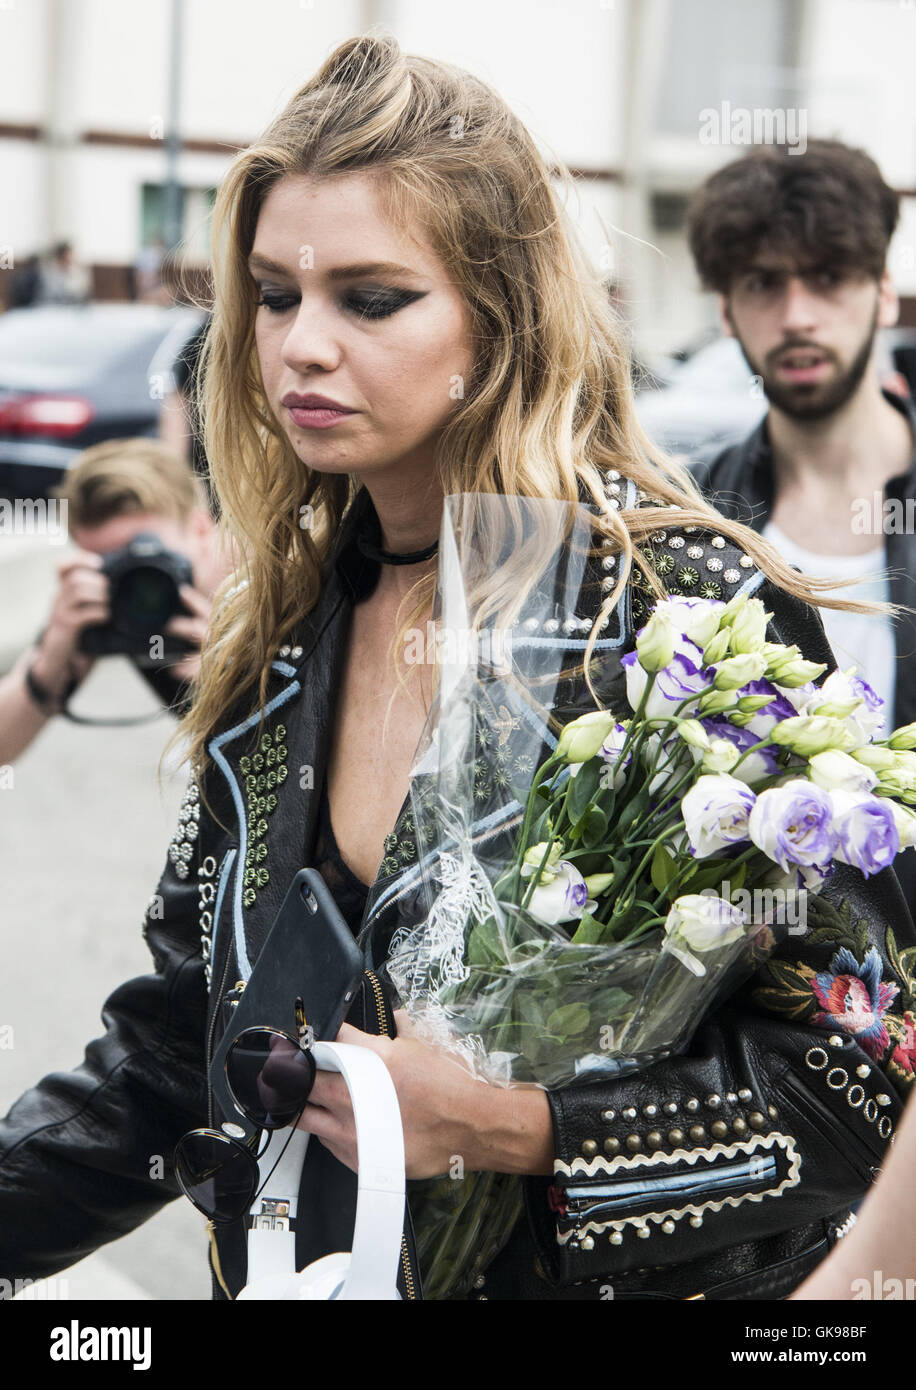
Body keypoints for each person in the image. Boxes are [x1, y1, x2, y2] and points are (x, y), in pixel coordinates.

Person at [0, 32, 913, 1303]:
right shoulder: (281, 623)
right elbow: (176, 1048)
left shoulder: (681, 612)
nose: (300, 346)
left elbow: (861, 1076)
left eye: (370, 299)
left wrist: (517, 1128)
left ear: (496, 319)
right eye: (273, 295)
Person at [686, 139, 916, 919]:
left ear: (884, 292)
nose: (797, 316)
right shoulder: (691, 516)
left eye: (828, 277)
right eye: (762, 283)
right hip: (759, 987)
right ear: (725, 310)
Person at [0, 438, 236, 763]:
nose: (131, 581)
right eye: (111, 563)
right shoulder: (102, 600)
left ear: (199, 528)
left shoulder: (269, 586)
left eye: (147, 558)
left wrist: (239, 685)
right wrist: (52, 657)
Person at [34, 240, 91, 306]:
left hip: (69, 307)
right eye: (67, 257)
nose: (70, 260)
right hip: (50, 307)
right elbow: (51, 294)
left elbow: (81, 293)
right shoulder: (48, 272)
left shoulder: (75, 272)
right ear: (60, 257)